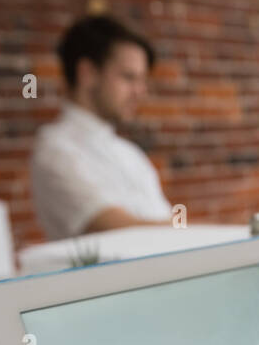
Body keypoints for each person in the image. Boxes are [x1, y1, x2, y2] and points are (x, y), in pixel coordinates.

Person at [31, 14, 174, 238]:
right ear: (88, 73)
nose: (140, 91)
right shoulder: (56, 151)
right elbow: (125, 233)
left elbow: (169, 226)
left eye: (142, 80)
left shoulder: (130, 154)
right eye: (129, 77)